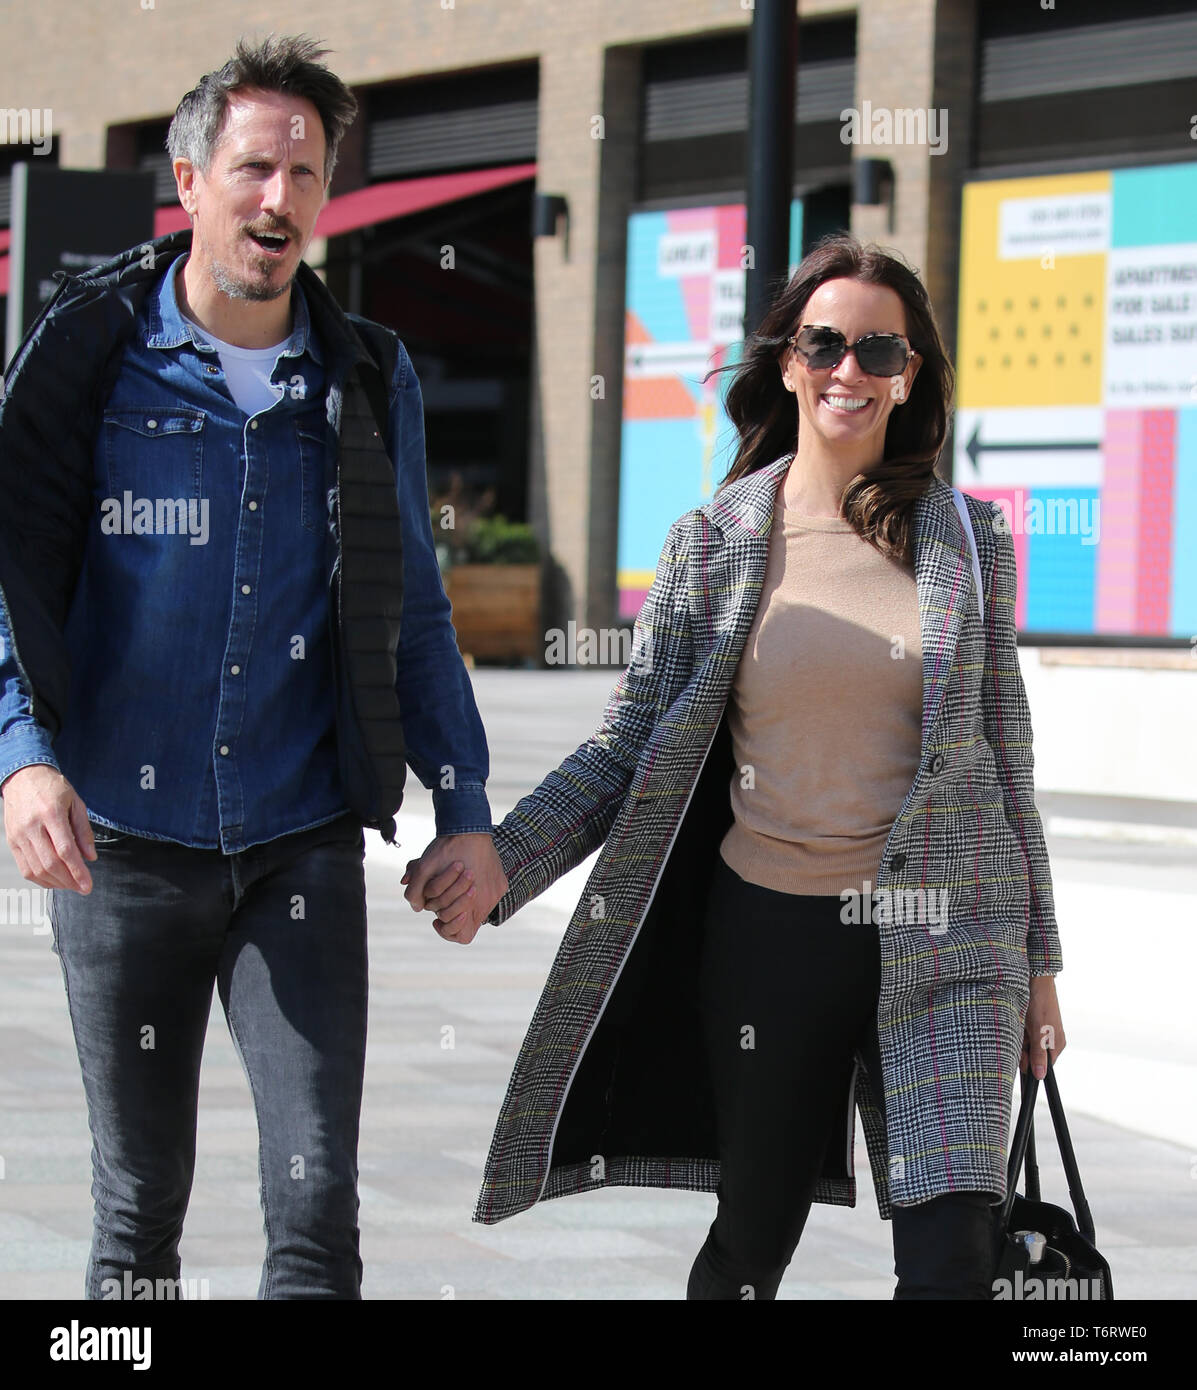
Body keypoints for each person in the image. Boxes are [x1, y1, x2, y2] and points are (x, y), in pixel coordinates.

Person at [414, 233, 1067, 1300]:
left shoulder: (968, 540)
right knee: (753, 1242)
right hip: (776, 934)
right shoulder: (715, 542)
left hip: (951, 937)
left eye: (878, 351)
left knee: (954, 1259)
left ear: (911, 378)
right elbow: (630, 744)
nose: (849, 370)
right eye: (825, 344)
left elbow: (1008, 758)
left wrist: (1038, 967)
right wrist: (503, 862)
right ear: (790, 362)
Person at [0, 34, 505, 1300]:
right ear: (190, 176)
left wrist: (469, 808)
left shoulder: (366, 378)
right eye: (253, 168)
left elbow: (415, 613)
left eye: (306, 172)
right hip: (120, 845)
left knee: (316, 1205)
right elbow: (8, 575)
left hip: (299, 843)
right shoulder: (89, 356)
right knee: (134, 1213)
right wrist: (23, 759)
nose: (279, 199)